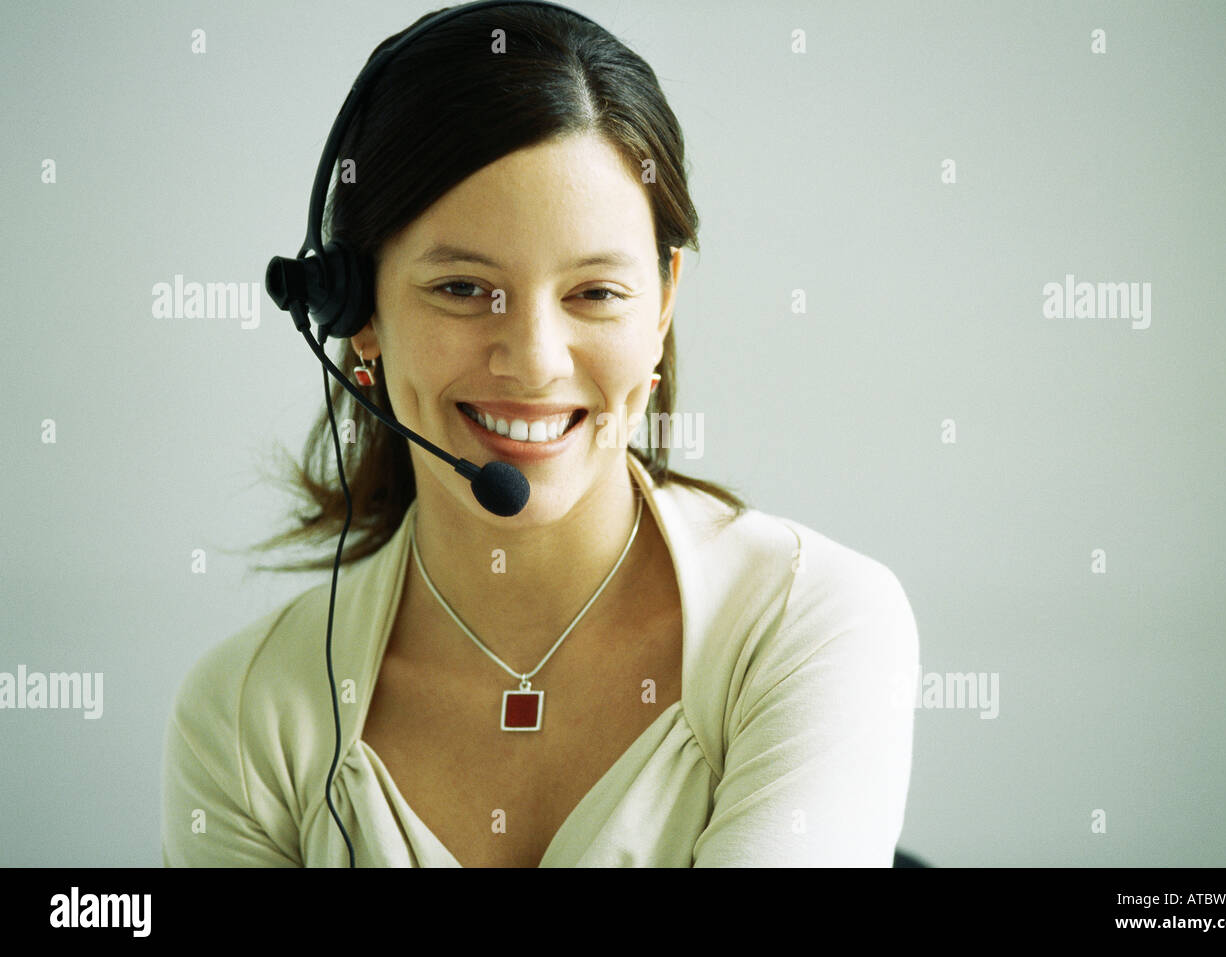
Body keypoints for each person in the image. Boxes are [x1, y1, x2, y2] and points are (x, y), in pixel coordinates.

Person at [161, 1, 919, 867]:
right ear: (359, 310)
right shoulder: (246, 712)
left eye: (594, 292)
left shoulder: (809, 624)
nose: (531, 362)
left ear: (664, 300)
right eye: (462, 287)